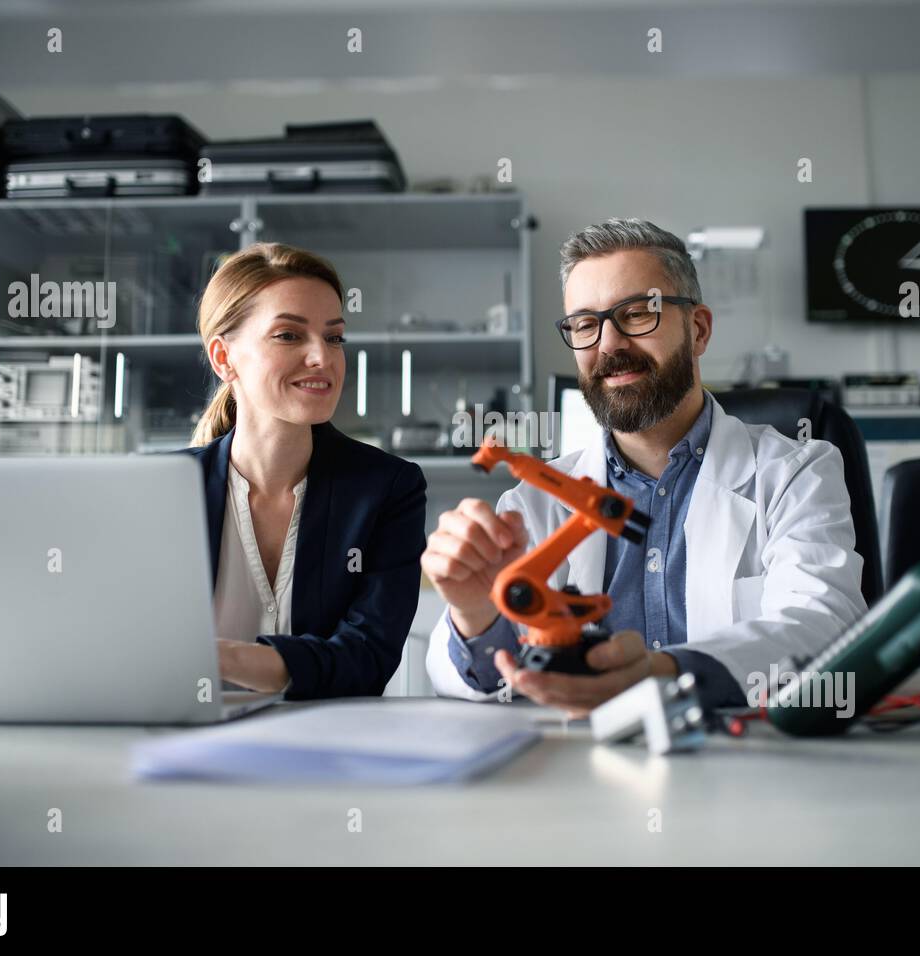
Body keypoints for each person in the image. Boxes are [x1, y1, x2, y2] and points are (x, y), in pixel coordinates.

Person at [423, 218, 867, 715]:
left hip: (745, 765)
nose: (608, 345)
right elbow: (466, 680)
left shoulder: (795, 474)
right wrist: (473, 614)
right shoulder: (533, 502)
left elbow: (824, 625)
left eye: (637, 314)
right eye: (586, 325)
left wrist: (663, 675)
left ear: (697, 330)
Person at [183, 242, 426, 698]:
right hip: (183, 743)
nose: (323, 357)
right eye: (289, 335)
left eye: (334, 337)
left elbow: (367, 658)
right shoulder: (165, 490)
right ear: (223, 358)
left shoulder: (387, 488)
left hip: (327, 752)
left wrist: (217, 656)